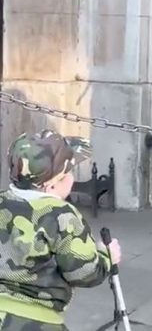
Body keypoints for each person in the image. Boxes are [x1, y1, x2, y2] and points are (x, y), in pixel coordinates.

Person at [0, 130, 122, 330]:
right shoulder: (61, 215)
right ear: (52, 185)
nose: (72, 177)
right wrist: (105, 257)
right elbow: (83, 273)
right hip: (35, 320)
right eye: (69, 172)